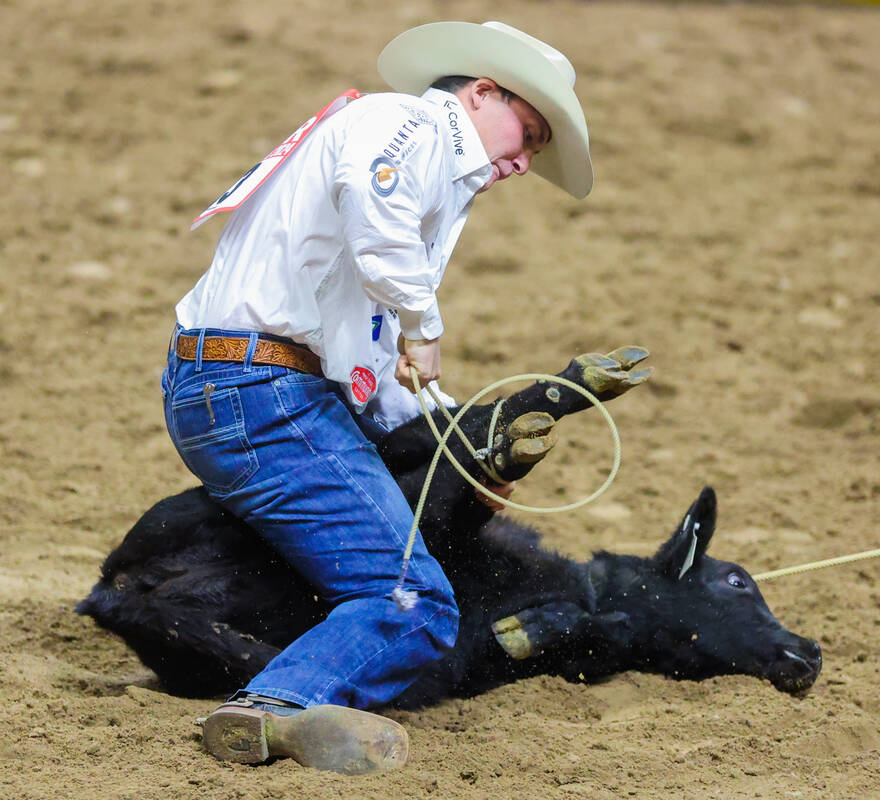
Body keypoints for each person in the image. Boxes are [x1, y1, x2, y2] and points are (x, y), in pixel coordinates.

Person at [161, 20, 593, 774]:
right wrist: (424, 323)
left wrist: (469, 437)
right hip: (261, 391)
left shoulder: (400, 153)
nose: (525, 160)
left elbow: (375, 371)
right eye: (525, 132)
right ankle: (276, 706)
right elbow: (376, 208)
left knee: (408, 592)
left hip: (246, 385)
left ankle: (282, 702)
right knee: (415, 603)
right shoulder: (405, 123)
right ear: (481, 92)